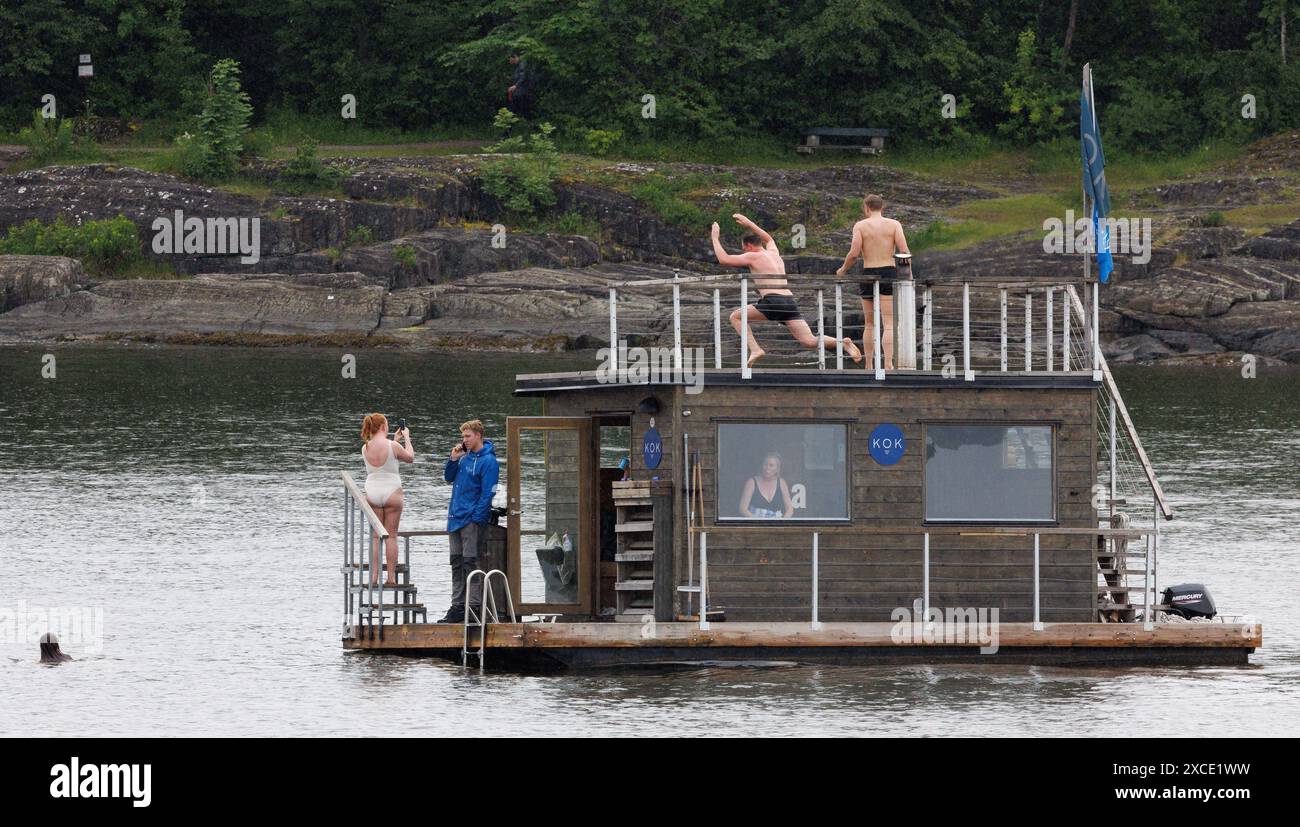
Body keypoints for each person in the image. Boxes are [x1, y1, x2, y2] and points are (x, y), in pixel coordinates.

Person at [712, 213, 863, 369]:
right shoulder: (773, 252)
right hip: (789, 301)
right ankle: (843, 342)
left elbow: (724, 259)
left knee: (736, 317)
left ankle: (756, 349)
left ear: (749, 246)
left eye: (744, 249)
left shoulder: (753, 256)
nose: (744, 252)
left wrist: (715, 237)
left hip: (773, 301)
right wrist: (749, 223)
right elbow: (769, 238)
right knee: (809, 341)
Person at [836, 193, 911, 370]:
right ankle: (888, 364)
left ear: (866, 208)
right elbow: (904, 251)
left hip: (868, 272)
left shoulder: (860, 226)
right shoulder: (894, 225)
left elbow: (854, 254)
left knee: (869, 323)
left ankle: (869, 364)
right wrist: (909, 275)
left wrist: (842, 270)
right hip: (888, 272)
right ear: (882, 207)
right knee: (889, 323)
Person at [439, 419, 500, 623]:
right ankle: (457, 606)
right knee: (456, 562)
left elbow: (488, 492)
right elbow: (448, 478)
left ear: (478, 436)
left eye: (468, 436)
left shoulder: (488, 461)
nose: (464, 440)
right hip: (454, 517)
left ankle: (473, 607)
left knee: (471, 562)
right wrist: (453, 459)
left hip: (471, 519)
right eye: (463, 436)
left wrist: (477, 517)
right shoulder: (463, 457)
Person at [361, 413, 415, 587]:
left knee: (376, 537)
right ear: (383, 427)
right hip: (392, 491)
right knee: (391, 535)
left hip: (372, 491)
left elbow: (386, 452)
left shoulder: (365, 448)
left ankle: (374, 577)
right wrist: (406, 438)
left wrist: (394, 440)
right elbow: (409, 457)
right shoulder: (393, 445)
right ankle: (391, 578)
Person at [738, 453, 794, 519]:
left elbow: (790, 509)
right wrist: (759, 521)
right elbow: (743, 509)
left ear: (777, 469)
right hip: (755, 524)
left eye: (771, 465)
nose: (767, 468)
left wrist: (782, 522)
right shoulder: (752, 482)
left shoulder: (781, 483)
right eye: (765, 464)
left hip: (776, 524)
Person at [506, 52, 538, 120]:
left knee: (515, 109)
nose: (510, 61)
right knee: (521, 109)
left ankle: (508, 127)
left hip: (521, 92)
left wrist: (515, 86)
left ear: (515, 57)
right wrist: (511, 78)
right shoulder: (519, 65)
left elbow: (523, 77)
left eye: (510, 59)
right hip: (520, 92)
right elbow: (519, 76)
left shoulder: (522, 64)